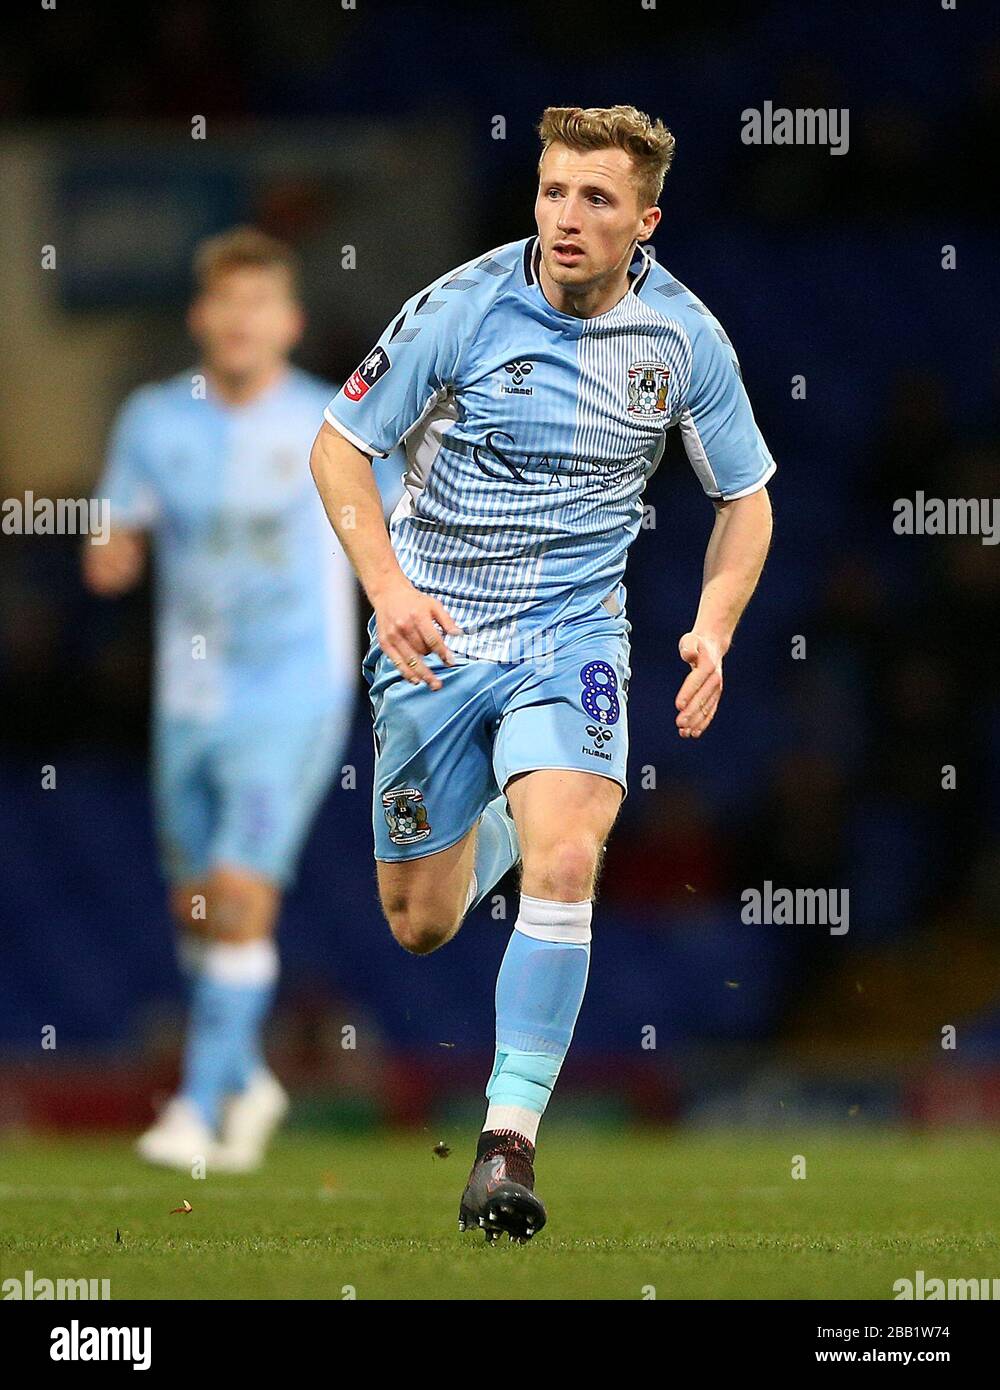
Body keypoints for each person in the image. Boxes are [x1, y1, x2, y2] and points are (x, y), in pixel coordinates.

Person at [310, 105, 775, 1239]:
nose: (566, 218)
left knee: (574, 851)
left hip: (573, 638)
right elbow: (338, 446)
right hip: (433, 633)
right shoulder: (460, 308)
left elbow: (745, 499)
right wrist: (385, 590)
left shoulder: (683, 340)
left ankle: (504, 1147)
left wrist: (714, 625)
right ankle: (503, 828)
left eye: (597, 200)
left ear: (644, 222)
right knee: (419, 920)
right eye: (553, 191)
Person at [85, 227, 380, 1172]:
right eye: (228, 302)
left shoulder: (333, 426)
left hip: (294, 690)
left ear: (290, 322)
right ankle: (249, 1077)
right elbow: (113, 527)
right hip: (191, 698)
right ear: (200, 316)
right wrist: (112, 549)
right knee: (200, 909)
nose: (243, 319)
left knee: (245, 896)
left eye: (262, 303)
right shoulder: (153, 420)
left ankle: (196, 1110)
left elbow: (393, 527)